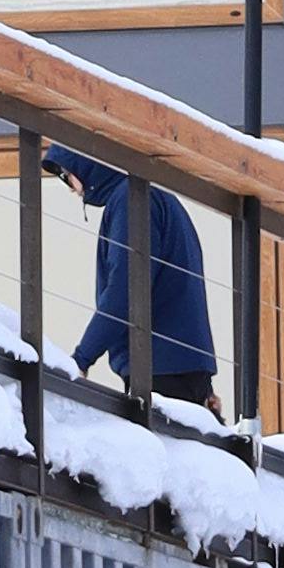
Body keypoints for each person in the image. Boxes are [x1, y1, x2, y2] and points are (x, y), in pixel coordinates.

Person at [42, 145, 218, 408]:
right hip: (179, 370)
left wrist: (81, 359)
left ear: (86, 165)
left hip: (159, 371)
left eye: (67, 175)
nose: (69, 187)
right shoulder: (148, 196)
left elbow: (124, 290)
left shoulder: (132, 200)